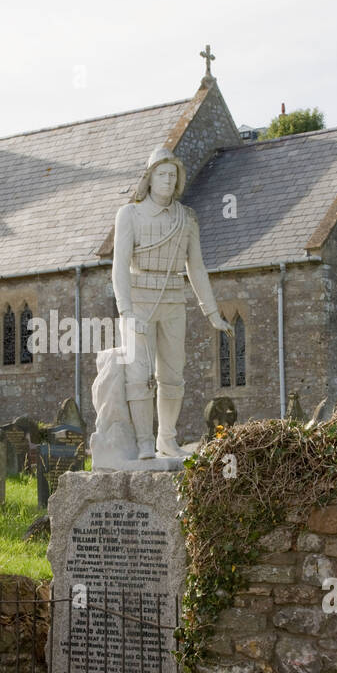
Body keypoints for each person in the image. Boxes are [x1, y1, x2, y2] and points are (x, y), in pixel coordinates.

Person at [112, 146, 233, 459]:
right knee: (138, 375)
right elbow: (119, 265)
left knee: (172, 376)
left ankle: (166, 439)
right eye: (161, 174)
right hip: (138, 300)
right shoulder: (130, 214)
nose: (167, 180)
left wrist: (212, 313)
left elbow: (196, 267)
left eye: (172, 175)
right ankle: (142, 441)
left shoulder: (187, 218)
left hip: (173, 301)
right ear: (149, 178)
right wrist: (125, 311)